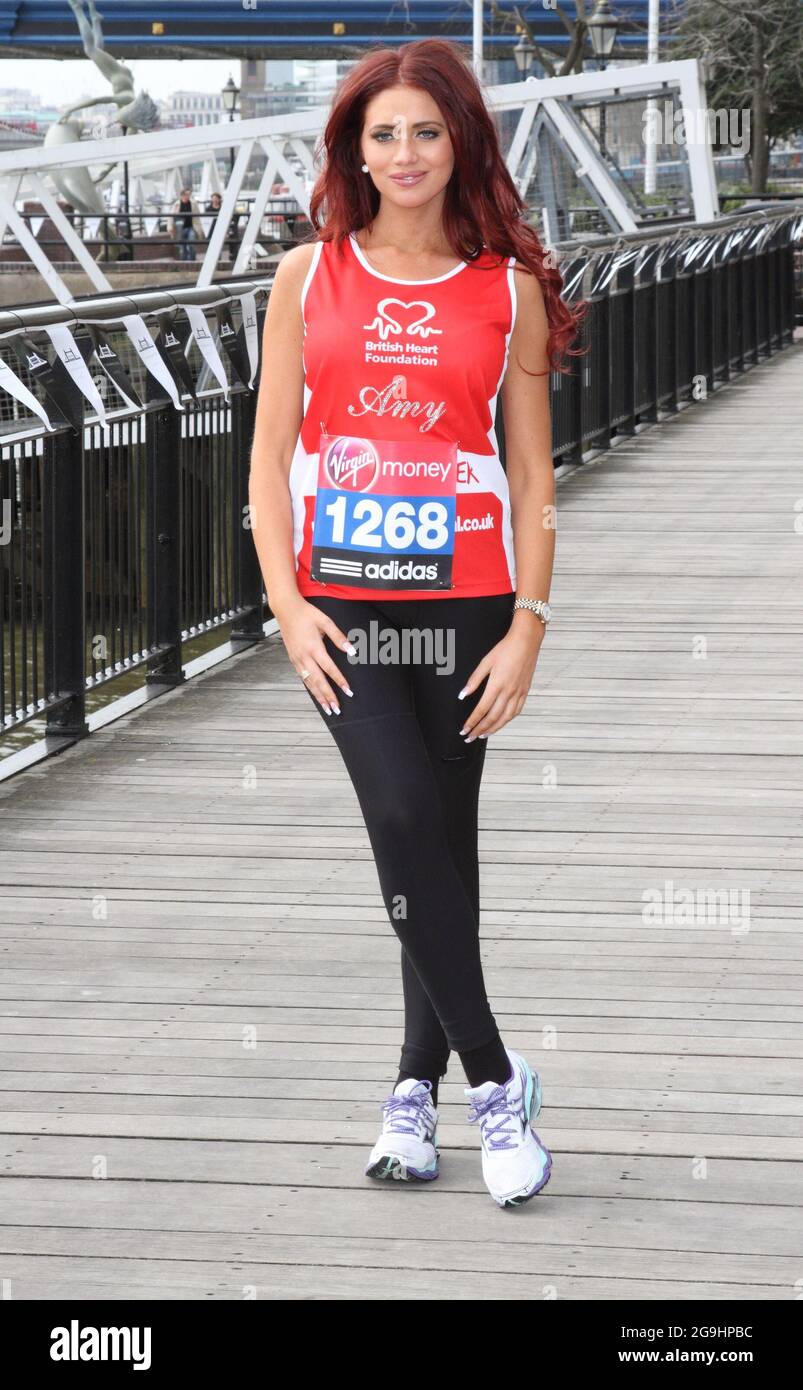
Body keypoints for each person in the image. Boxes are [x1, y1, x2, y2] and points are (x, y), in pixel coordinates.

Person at [248, 38, 583, 1209]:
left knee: (436, 847)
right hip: (341, 603)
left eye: (425, 132)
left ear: (461, 145)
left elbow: (534, 475)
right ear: (354, 147)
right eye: (381, 133)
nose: (403, 154)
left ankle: (407, 1092)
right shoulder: (307, 276)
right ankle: (496, 1080)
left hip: (468, 606)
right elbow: (269, 453)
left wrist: (527, 627)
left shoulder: (506, 291)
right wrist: (285, 600)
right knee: (394, 810)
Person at [170, 187, 201, 261]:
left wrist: (199, 227)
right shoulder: (177, 204)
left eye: (189, 194)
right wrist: (170, 227)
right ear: (182, 195)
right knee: (182, 247)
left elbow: (197, 215)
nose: (188, 196)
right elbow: (171, 216)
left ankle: (192, 260)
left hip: (191, 227)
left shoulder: (193, 203)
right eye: (186, 194)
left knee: (191, 244)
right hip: (180, 228)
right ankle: (184, 264)